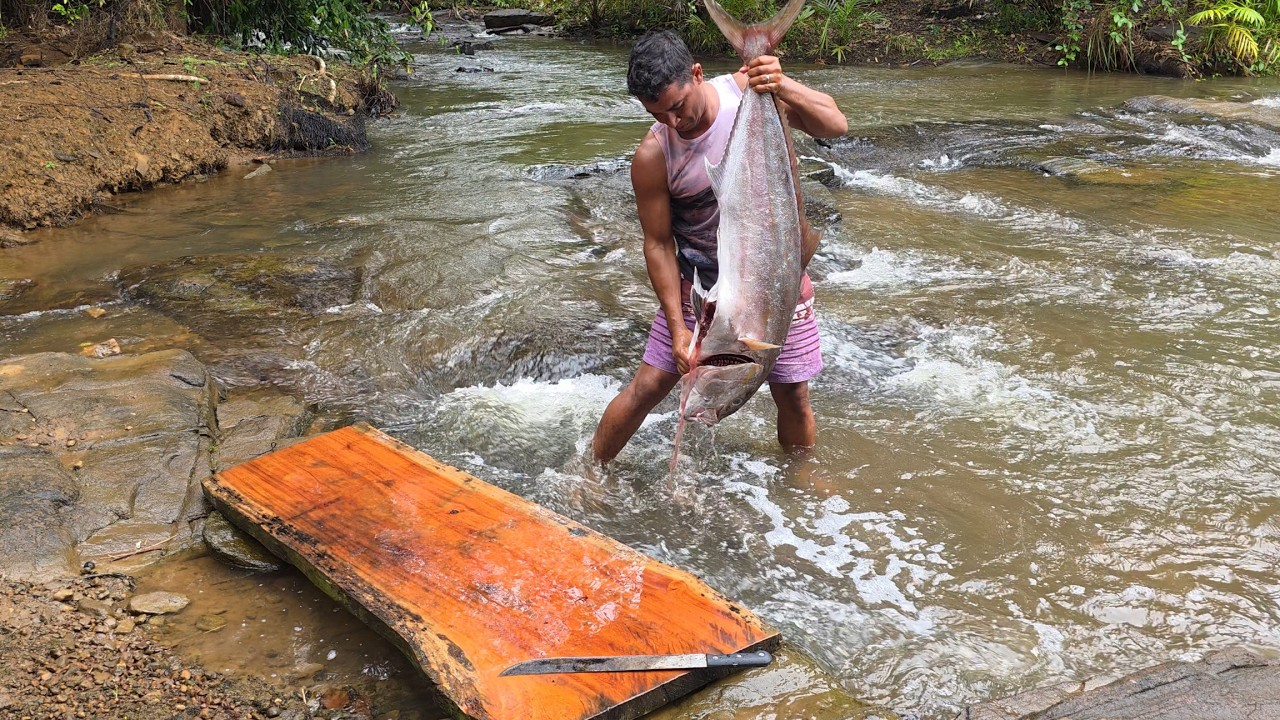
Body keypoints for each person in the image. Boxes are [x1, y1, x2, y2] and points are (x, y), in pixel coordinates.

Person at [592, 30, 848, 463]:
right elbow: (657, 245)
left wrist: (781, 84)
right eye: (658, 113)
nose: (674, 122)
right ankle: (590, 475)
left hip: (778, 280)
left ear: (697, 74)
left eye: (677, 106)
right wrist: (678, 329)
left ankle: (800, 485)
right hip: (703, 289)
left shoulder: (751, 89)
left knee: (793, 396)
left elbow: (835, 125)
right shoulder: (654, 155)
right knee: (647, 387)